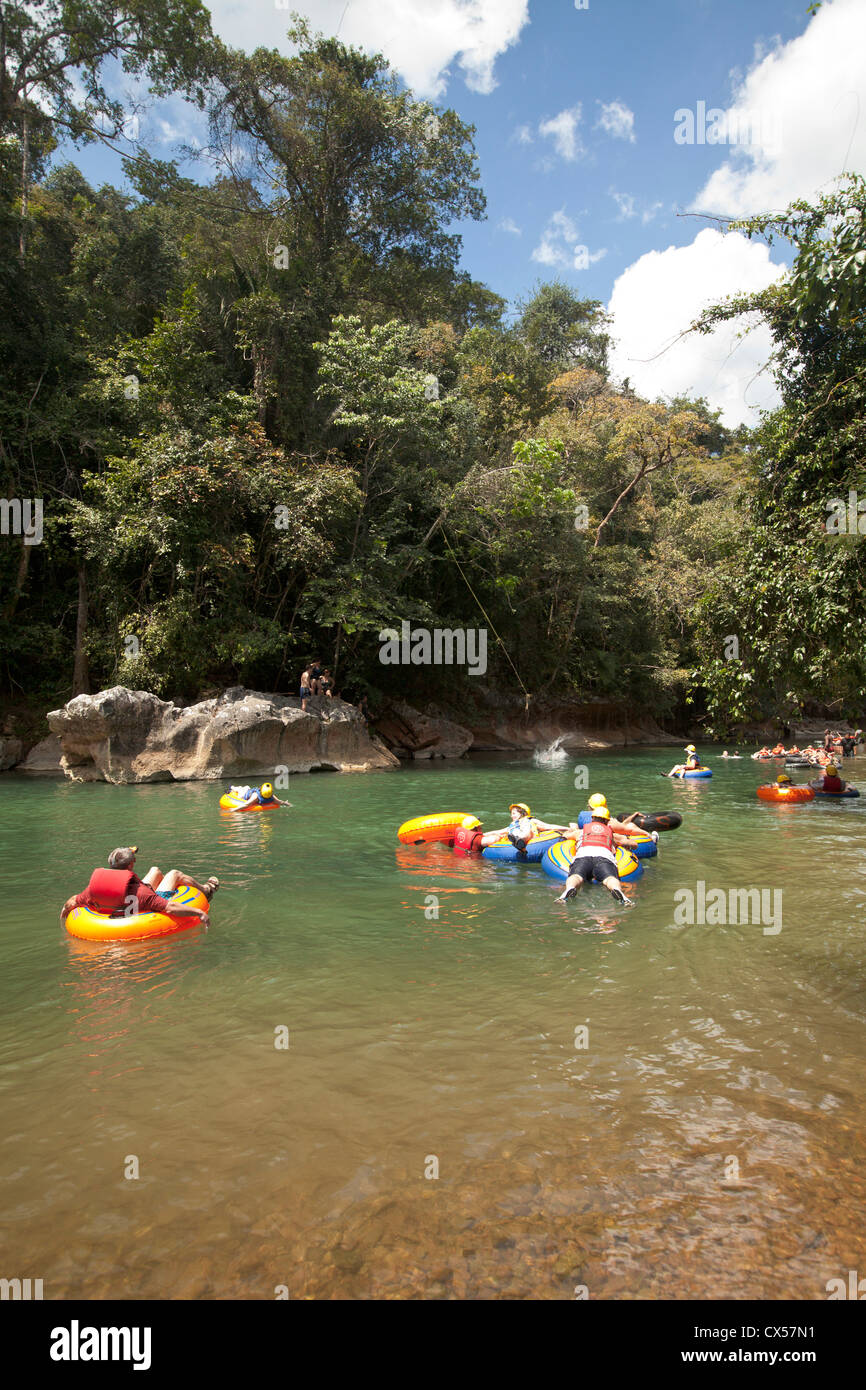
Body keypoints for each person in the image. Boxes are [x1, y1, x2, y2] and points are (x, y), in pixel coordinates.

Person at [60, 846, 218, 929]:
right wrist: (198, 912)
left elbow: (73, 901)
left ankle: (205, 889)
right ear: (131, 864)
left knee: (155, 870)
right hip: (144, 903)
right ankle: (207, 890)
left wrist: (65, 912)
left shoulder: (93, 890)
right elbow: (169, 908)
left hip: (123, 900)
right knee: (175, 874)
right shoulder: (141, 893)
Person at [555, 806, 642, 906]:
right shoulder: (612, 835)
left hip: (584, 855)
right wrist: (625, 843)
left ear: (592, 818)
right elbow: (634, 844)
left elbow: (565, 836)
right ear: (607, 821)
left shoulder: (581, 832)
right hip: (604, 856)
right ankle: (618, 891)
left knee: (577, 876)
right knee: (609, 878)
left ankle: (570, 889)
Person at [480, 802, 569, 851]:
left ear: (522, 813)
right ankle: (516, 840)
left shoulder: (530, 820)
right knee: (505, 833)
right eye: (511, 814)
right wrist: (481, 835)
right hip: (514, 837)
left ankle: (520, 840)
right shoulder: (512, 826)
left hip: (529, 839)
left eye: (514, 813)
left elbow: (548, 826)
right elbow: (497, 831)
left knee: (526, 829)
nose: (511, 816)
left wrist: (567, 828)